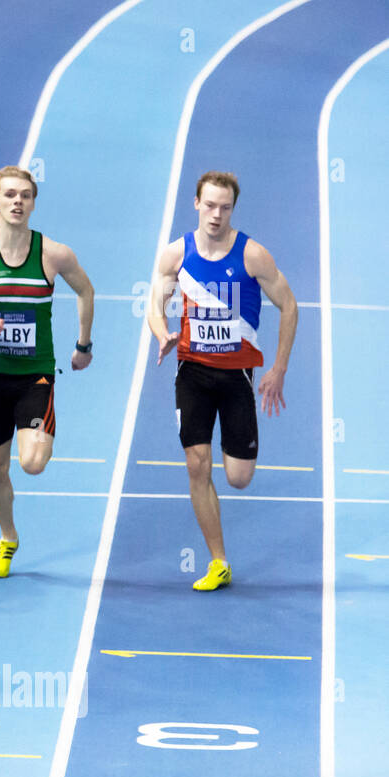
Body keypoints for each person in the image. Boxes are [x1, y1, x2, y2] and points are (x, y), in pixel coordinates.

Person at [147, 171, 297, 591]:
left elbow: (289, 306)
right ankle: (218, 562)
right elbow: (154, 303)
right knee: (197, 463)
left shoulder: (253, 256)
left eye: (225, 207)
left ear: (233, 208)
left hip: (237, 378)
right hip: (191, 370)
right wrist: (162, 333)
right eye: (209, 205)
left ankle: (237, 464)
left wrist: (278, 368)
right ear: (196, 203)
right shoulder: (175, 255)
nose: (216, 215)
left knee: (238, 477)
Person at [0, 165, 95, 578]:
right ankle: (8, 537)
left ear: (33, 203)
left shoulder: (53, 254)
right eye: (9, 195)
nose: (17, 201)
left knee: (32, 462)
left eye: (25, 195)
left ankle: (41, 425)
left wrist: (83, 344)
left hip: (35, 376)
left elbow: (86, 289)